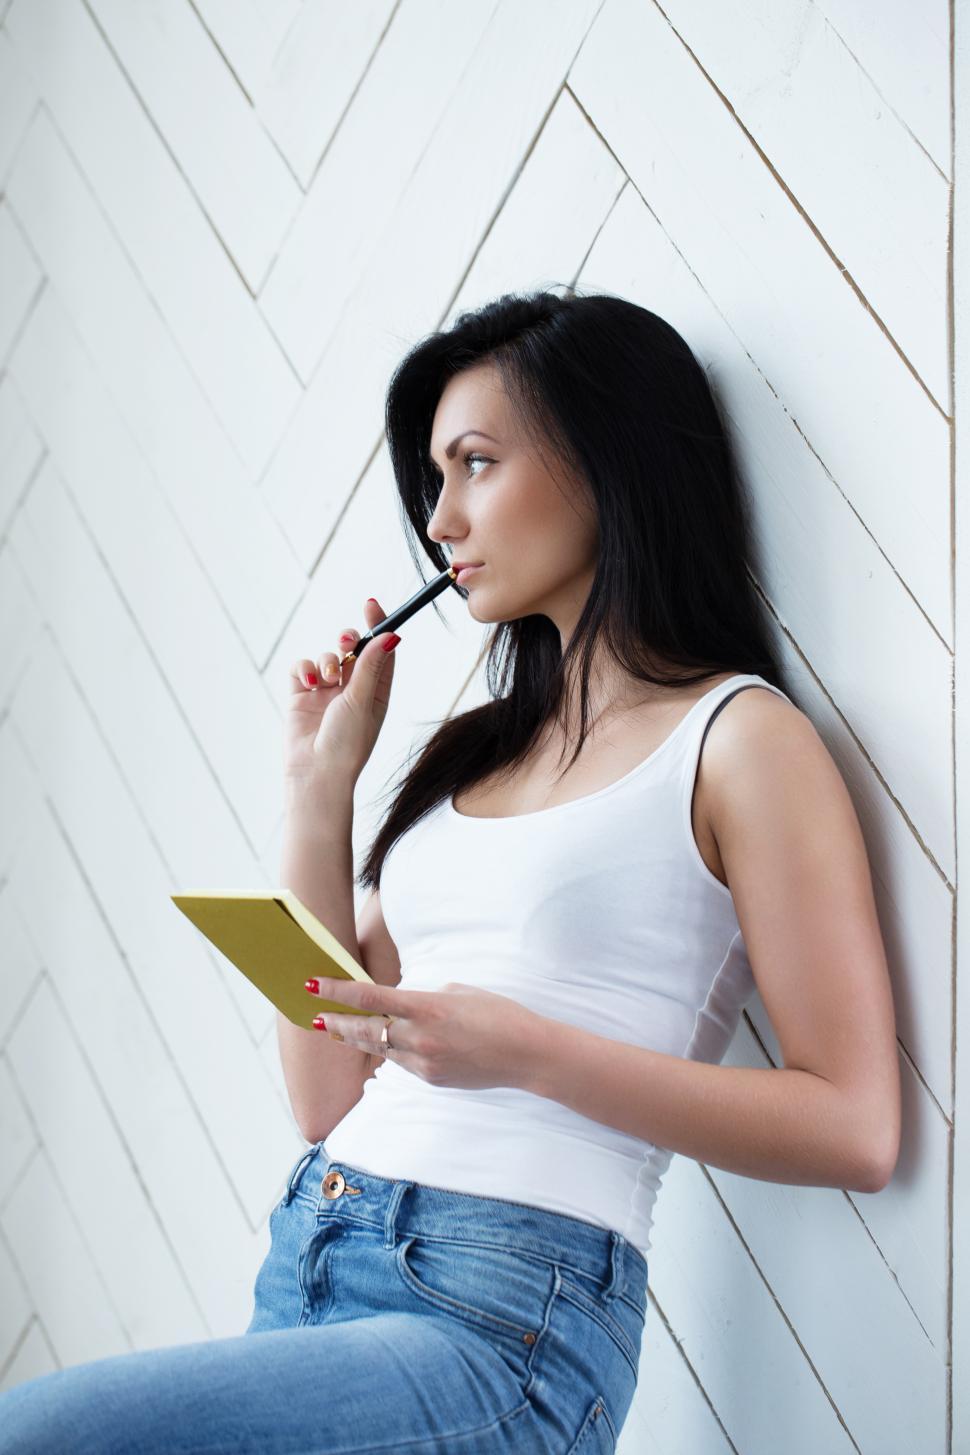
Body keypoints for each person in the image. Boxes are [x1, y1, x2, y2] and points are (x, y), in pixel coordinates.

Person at [0, 288, 901, 1453]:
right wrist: (317, 786)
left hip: (504, 1323)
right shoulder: (470, 756)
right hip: (317, 1253)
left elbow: (855, 1128)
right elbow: (327, 1097)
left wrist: (521, 1049)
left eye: (474, 464)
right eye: (433, 478)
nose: (440, 519)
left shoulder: (737, 740)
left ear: (607, 464)